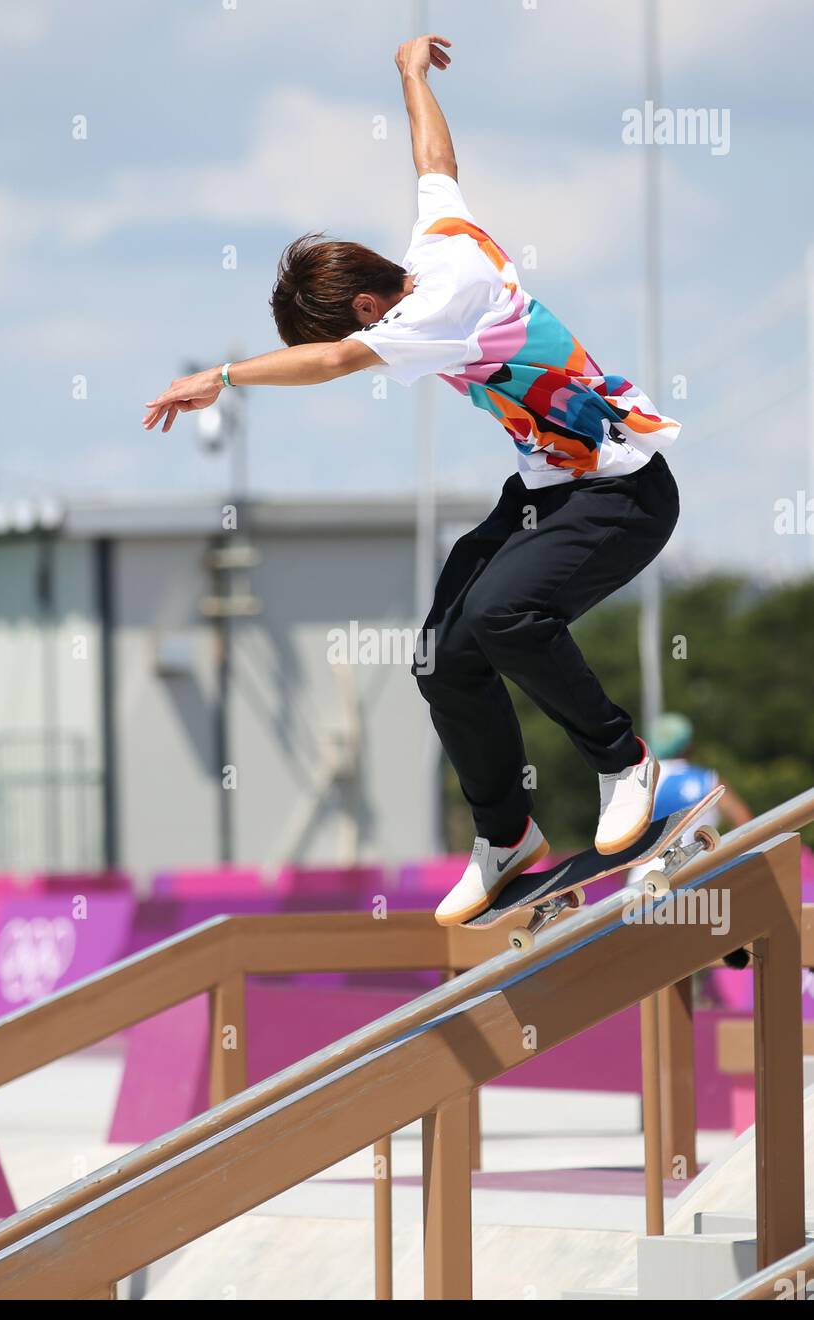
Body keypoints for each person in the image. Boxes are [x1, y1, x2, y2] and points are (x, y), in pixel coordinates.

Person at [143, 34, 682, 926]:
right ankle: (507, 834)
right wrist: (409, 74)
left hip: (622, 493)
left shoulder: (434, 304)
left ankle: (625, 761)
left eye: (353, 325)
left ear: (366, 303)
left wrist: (226, 378)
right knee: (443, 652)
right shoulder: (434, 240)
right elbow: (436, 161)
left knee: (507, 615)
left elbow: (332, 363)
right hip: (546, 493)